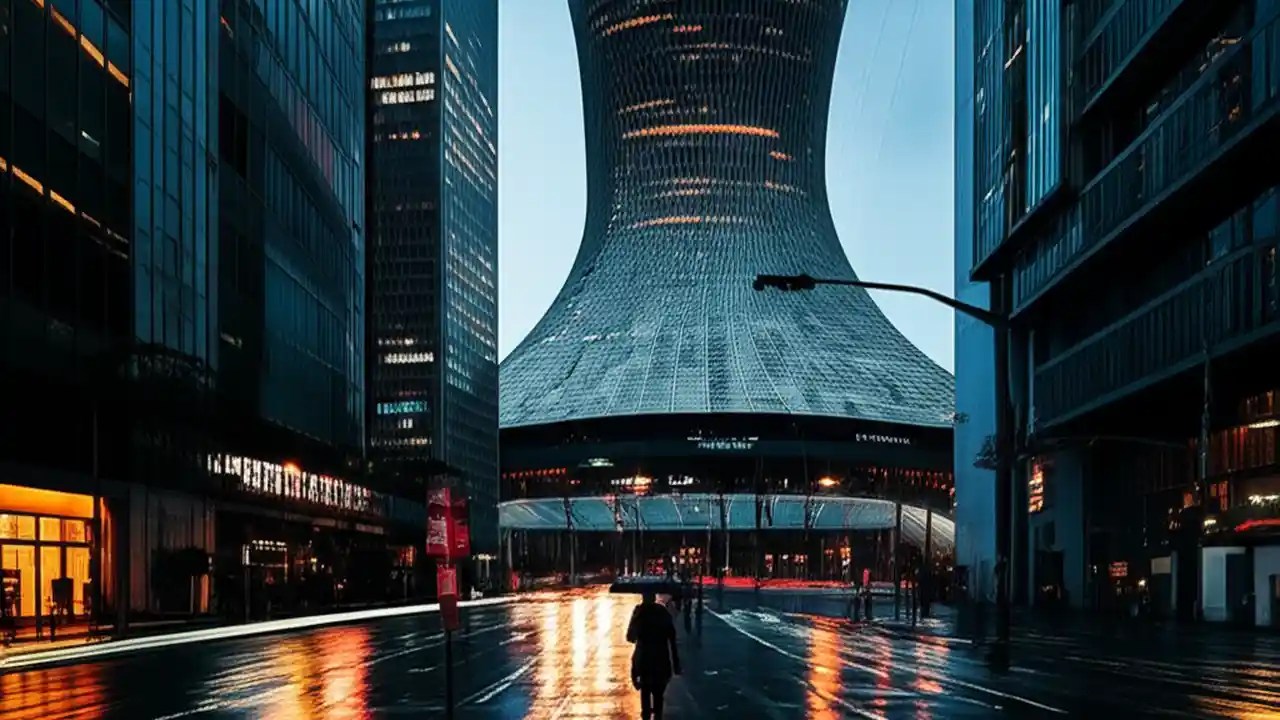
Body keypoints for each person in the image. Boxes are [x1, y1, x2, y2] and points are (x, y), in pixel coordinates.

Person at [627, 590, 681, 719]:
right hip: (661, 660)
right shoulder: (662, 612)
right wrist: (676, 664)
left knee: (645, 698)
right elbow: (672, 639)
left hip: (644, 660)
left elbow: (630, 637)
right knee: (658, 698)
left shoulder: (640, 613)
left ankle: (646, 715)